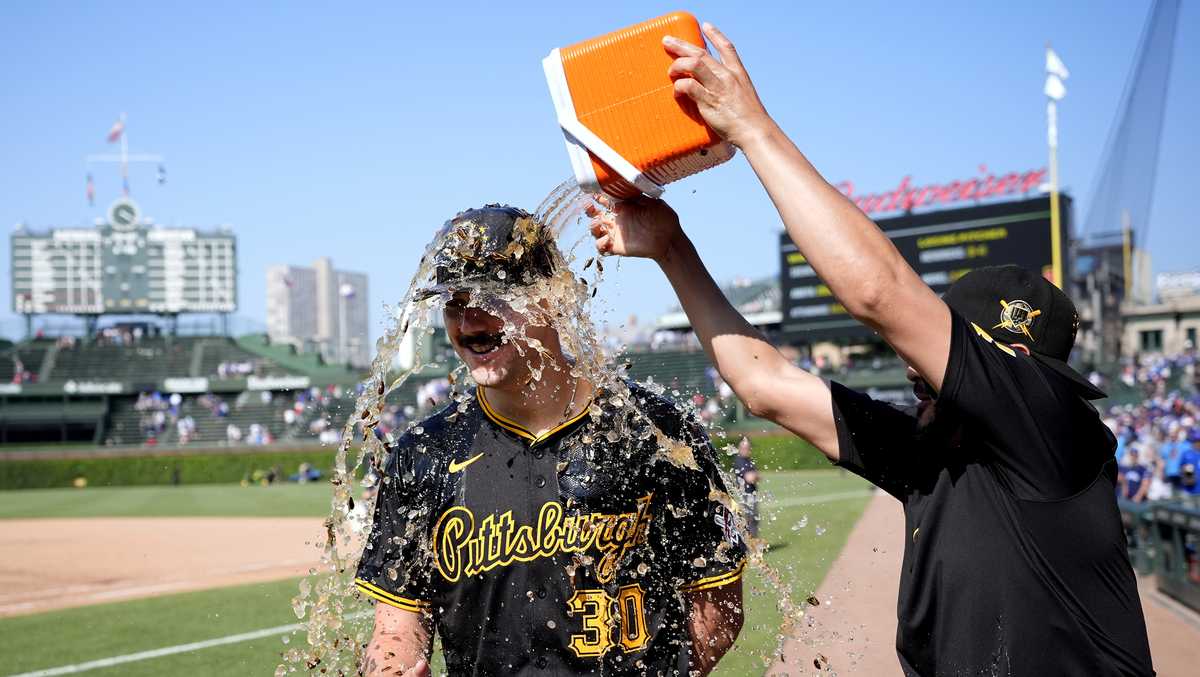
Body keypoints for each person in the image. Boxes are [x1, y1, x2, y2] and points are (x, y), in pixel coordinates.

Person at [589, 22, 1153, 676]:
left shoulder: (1051, 425)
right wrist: (670, 247)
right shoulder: (938, 453)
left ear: (1021, 370)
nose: (922, 366)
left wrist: (752, 127)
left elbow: (878, 292)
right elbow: (765, 383)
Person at [355, 206, 746, 676]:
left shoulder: (656, 432)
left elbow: (717, 603)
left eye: (492, 296)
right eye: (454, 302)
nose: (470, 319)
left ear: (553, 297)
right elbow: (396, 625)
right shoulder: (423, 453)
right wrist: (389, 666)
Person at [732, 437, 759, 538]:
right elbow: (750, 477)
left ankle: (752, 544)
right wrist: (755, 475)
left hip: (751, 493)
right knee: (750, 520)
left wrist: (755, 475)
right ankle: (749, 545)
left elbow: (757, 476)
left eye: (748, 448)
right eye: (744, 448)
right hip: (745, 495)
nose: (747, 450)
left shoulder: (748, 460)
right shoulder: (740, 461)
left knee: (753, 520)